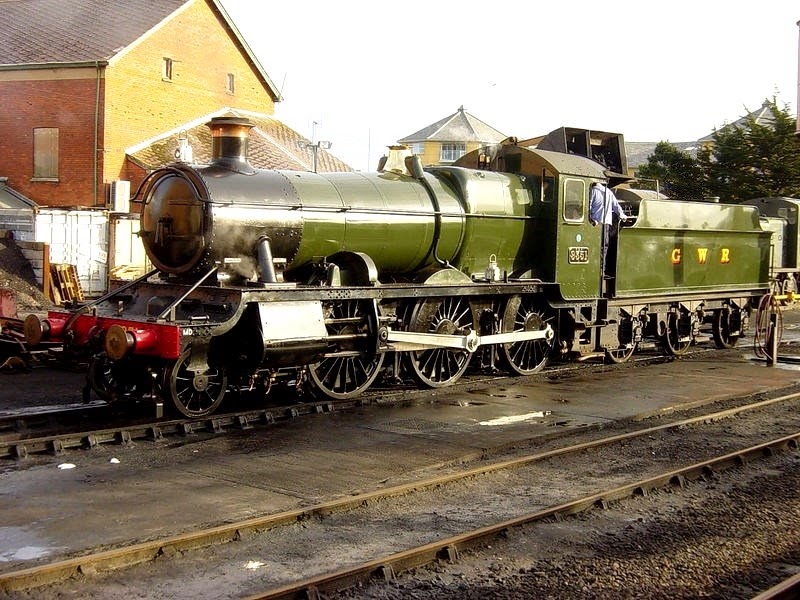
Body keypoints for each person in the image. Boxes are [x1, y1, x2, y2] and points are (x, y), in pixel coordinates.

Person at [589, 182, 628, 277]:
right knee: (604, 246)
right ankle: (602, 269)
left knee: (593, 246)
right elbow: (616, 206)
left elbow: (588, 206)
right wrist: (622, 215)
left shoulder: (592, 191)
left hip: (594, 223)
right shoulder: (609, 192)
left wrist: (591, 218)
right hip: (606, 223)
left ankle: (594, 268)